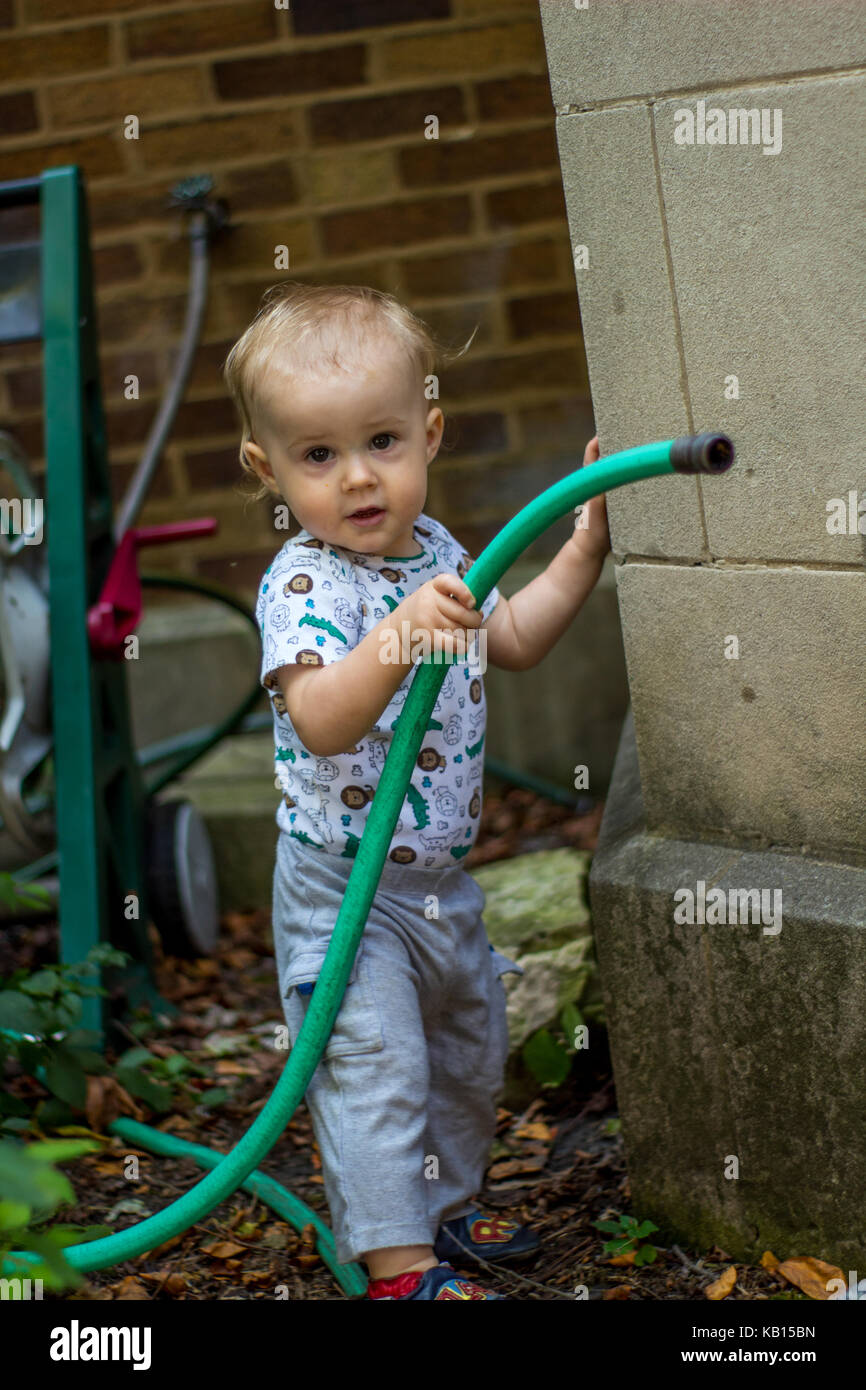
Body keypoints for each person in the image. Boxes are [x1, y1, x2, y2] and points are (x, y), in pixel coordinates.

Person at [223, 282, 611, 1301]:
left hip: (438, 879)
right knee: (376, 1060)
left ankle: (444, 1207)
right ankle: (398, 1264)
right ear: (268, 470)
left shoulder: (440, 554)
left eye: (382, 441)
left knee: (464, 1049)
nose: (357, 476)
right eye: (317, 456)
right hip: (341, 887)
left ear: (428, 434)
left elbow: (515, 638)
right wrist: (397, 639)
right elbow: (322, 719)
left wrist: (582, 547)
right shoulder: (305, 584)